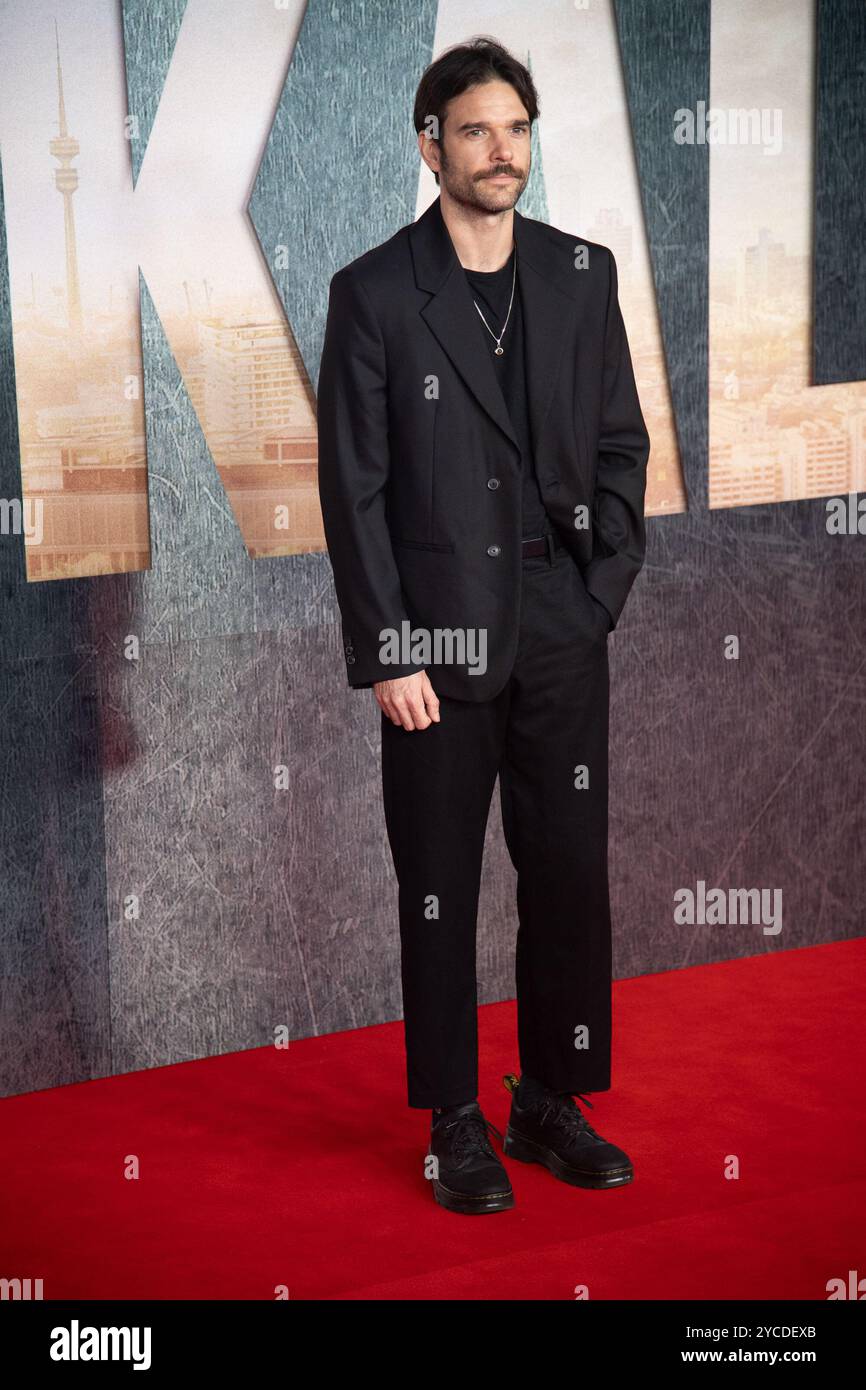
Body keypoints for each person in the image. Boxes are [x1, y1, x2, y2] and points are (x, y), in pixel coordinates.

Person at [316, 36, 649, 1214]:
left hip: (560, 629)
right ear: (429, 146)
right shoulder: (372, 292)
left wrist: (598, 591)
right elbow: (352, 485)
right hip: (437, 648)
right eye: (474, 130)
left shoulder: (579, 273)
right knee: (439, 884)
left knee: (566, 873)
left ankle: (550, 1096)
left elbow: (618, 444)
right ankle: (453, 1120)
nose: (499, 149)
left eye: (515, 127)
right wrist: (388, 647)